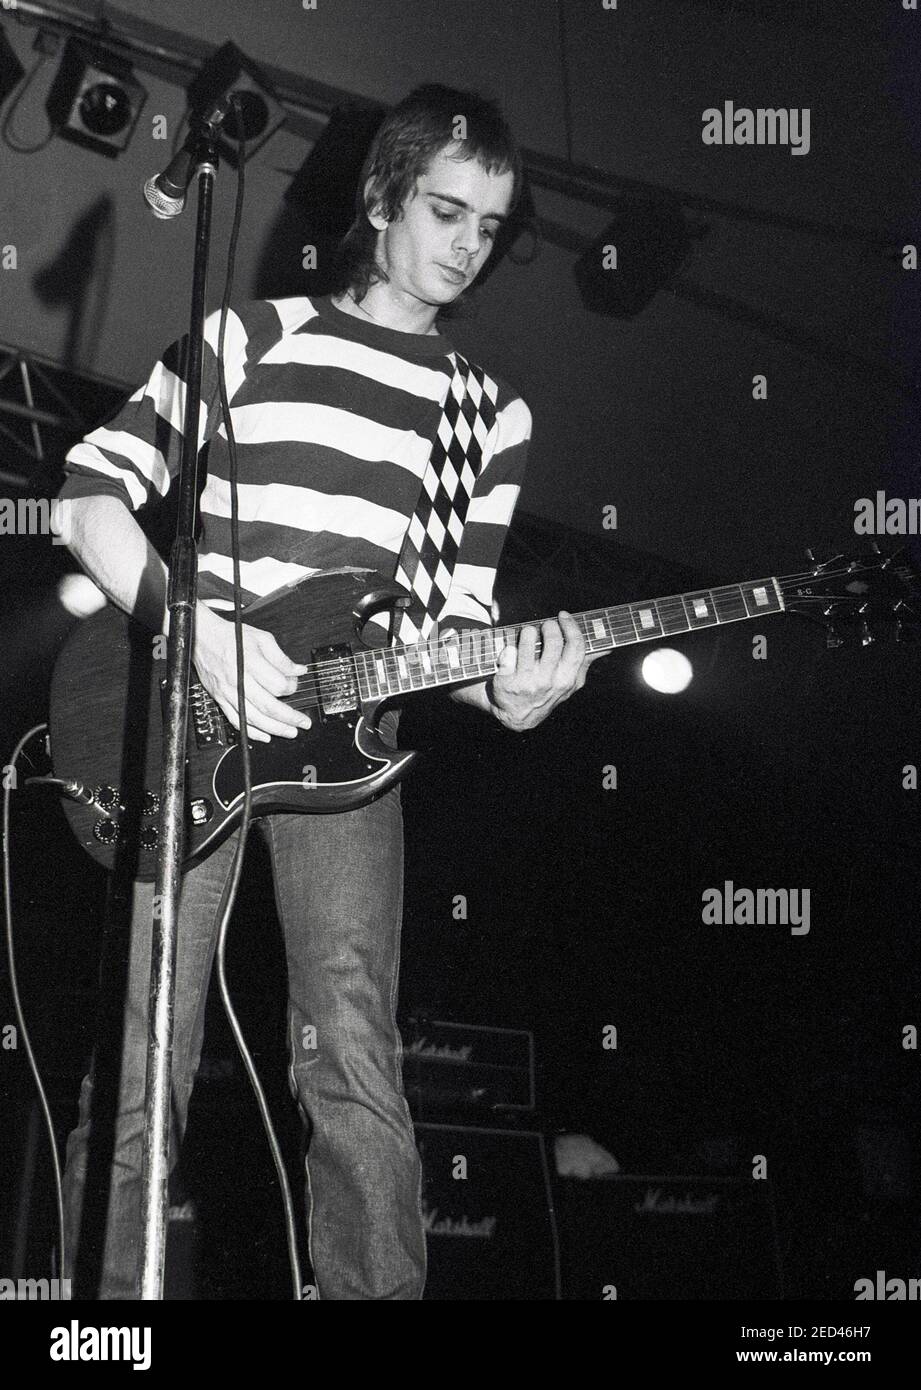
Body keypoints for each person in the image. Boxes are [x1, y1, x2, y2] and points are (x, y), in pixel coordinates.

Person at [54, 83, 596, 1300]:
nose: (469, 242)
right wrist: (192, 628)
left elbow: (447, 627)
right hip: (185, 723)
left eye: (490, 226)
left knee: (353, 1053)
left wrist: (512, 690)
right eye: (447, 209)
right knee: (149, 1052)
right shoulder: (251, 340)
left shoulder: (487, 417)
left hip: (349, 739)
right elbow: (88, 495)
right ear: (379, 196)